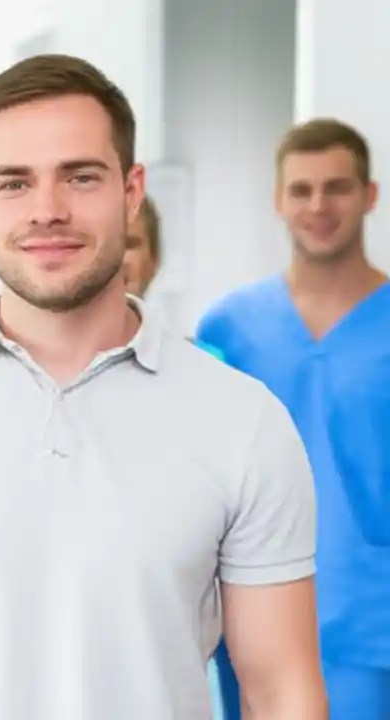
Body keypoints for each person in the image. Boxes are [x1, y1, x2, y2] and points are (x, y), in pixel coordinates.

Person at [0, 53, 327, 719]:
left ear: (131, 190)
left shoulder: (242, 421)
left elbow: (280, 688)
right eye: (15, 182)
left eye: (80, 177)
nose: (47, 210)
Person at [197, 117, 389, 720]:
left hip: (370, 623)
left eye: (337, 187)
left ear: (369, 195)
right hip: (248, 618)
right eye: (301, 190)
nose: (319, 206)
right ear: (278, 201)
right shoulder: (228, 327)